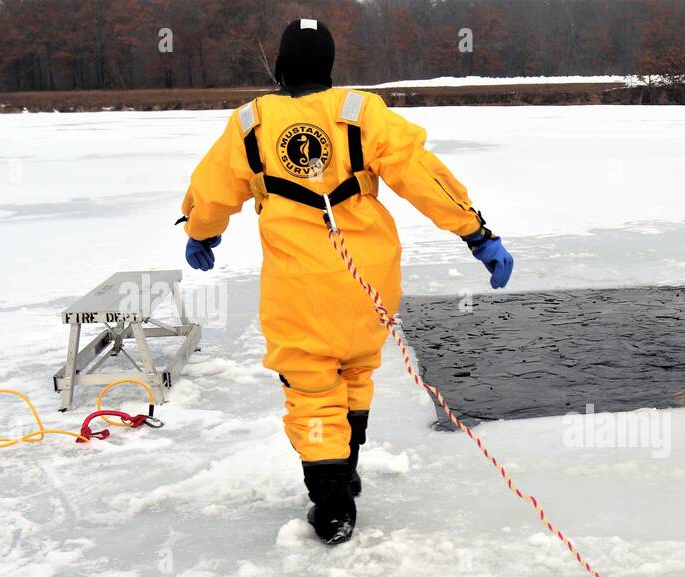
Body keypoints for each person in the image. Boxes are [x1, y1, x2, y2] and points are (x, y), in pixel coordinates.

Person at [178, 18, 513, 544]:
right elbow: (421, 175)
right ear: (329, 66)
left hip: (300, 283)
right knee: (356, 370)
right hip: (369, 279)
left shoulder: (251, 123)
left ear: (282, 65)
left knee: (312, 386)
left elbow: (213, 189)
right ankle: (345, 467)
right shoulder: (362, 112)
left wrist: (201, 232)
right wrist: (476, 233)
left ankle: (332, 501)